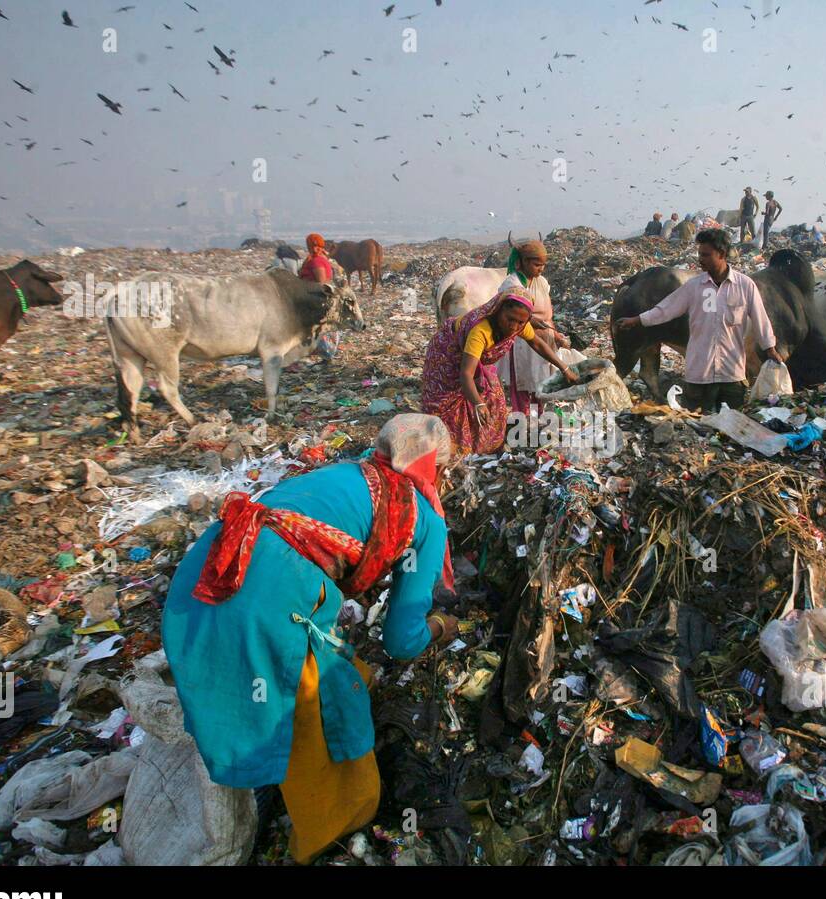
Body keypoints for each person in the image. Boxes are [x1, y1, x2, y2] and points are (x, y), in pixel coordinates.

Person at [161, 414, 460, 865]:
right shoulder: (425, 522)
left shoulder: (349, 471)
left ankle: (251, 779)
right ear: (433, 466)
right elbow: (402, 641)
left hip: (202, 575)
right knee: (323, 710)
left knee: (253, 687)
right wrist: (439, 627)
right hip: (264, 595)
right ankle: (330, 829)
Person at [616, 228, 784, 414]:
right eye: (699, 254)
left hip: (731, 375)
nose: (700, 259)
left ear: (721, 254)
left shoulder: (745, 286)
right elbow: (665, 310)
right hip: (698, 376)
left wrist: (770, 349)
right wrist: (637, 320)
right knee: (696, 427)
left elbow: (761, 319)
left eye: (705, 255)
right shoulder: (694, 287)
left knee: (730, 427)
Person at [422, 288, 577, 455]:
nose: (513, 326)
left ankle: (487, 447)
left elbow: (537, 344)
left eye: (520, 322)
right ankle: (449, 449)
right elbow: (466, 374)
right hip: (448, 354)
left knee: (495, 400)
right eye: (510, 319)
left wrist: (564, 368)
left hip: (476, 358)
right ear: (498, 311)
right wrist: (478, 404)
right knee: (447, 404)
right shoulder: (481, 331)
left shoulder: (519, 324)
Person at [494, 239, 569, 414]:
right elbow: (508, 315)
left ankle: (540, 418)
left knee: (543, 383)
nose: (541, 269)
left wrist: (555, 334)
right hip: (522, 342)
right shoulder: (511, 284)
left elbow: (548, 311)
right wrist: (530, 321)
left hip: (544, 338)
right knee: (523, 384)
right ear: (524, 261)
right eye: (536, 264)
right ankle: (525, 421)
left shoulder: (541, 282)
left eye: (543, 265)